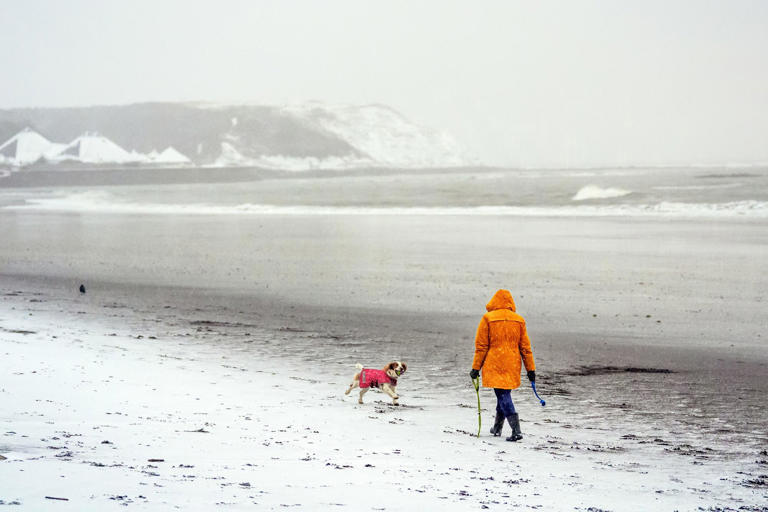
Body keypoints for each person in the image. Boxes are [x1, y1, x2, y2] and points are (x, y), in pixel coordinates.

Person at [469, 289, 536, 442]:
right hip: (512, 363)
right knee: (503, 394)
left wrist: (475, 368)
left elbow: (481, 347)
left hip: (495, 362)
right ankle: (497, 428)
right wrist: (531, 369)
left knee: (502, 395)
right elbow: (525, 348)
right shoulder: (518, 320)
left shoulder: (488, 318)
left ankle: (516, 430)